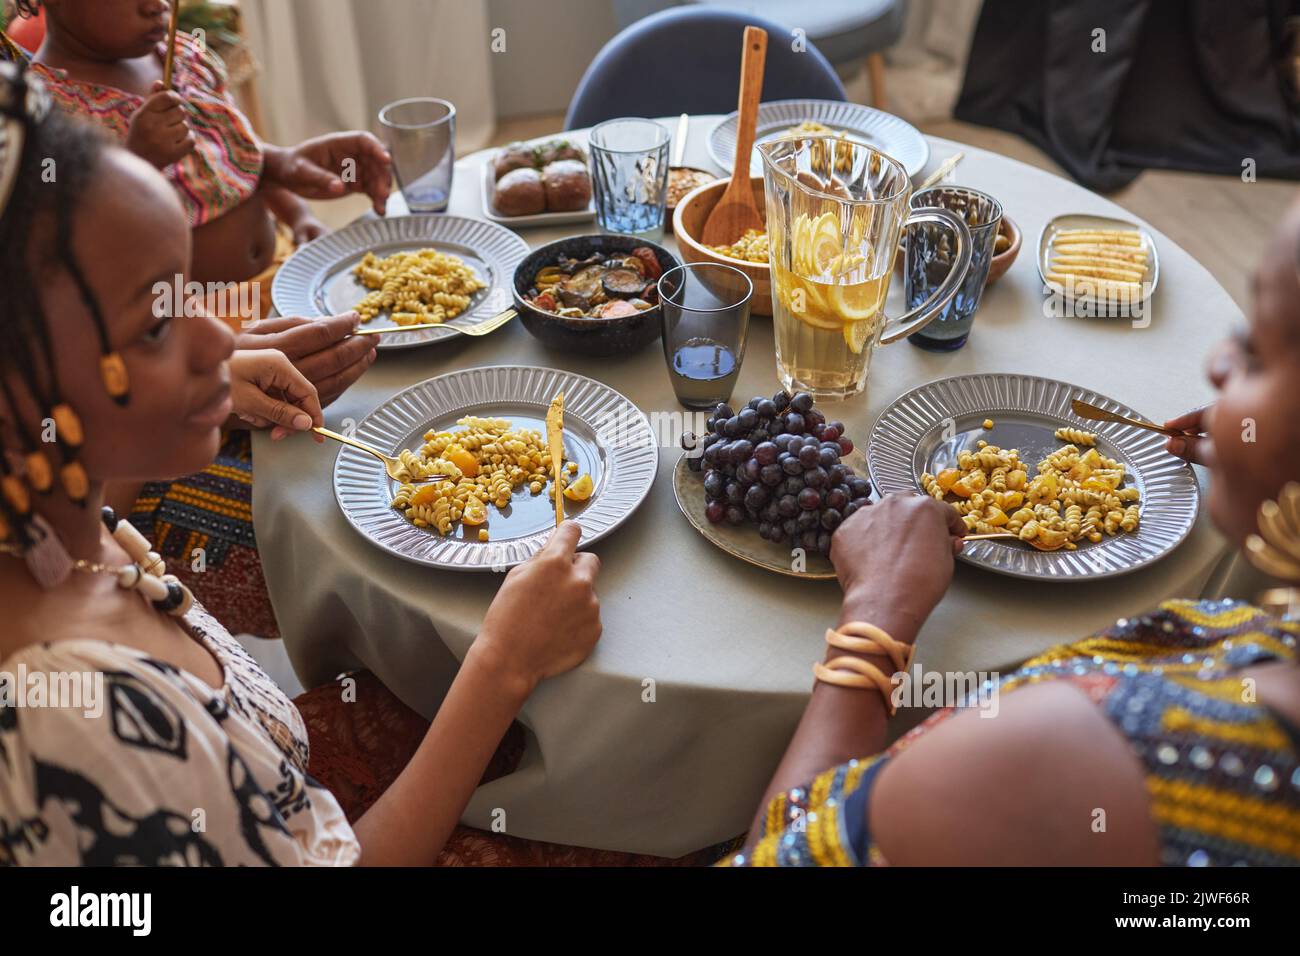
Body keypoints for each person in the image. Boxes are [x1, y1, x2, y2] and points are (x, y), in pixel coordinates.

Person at [0, 62, 644, 867]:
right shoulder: (78, 723)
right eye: (156, 325)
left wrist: (197, 385)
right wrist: (503, 666)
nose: (223, 336)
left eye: (188, 295)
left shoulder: (60, 538)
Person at [730, 208, 1300, 867]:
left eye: (1256, 353)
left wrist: (876, 617)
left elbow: (777, 855)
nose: (1217, 361)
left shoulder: (1065, 756)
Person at [14, 0, 393, 635]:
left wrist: (286, 169)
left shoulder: (183, 56)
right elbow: (91, 295)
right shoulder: (45, 130)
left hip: (246, 313)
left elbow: (230, 160)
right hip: (168, 389)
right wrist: (134, 157)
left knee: (377, 383)